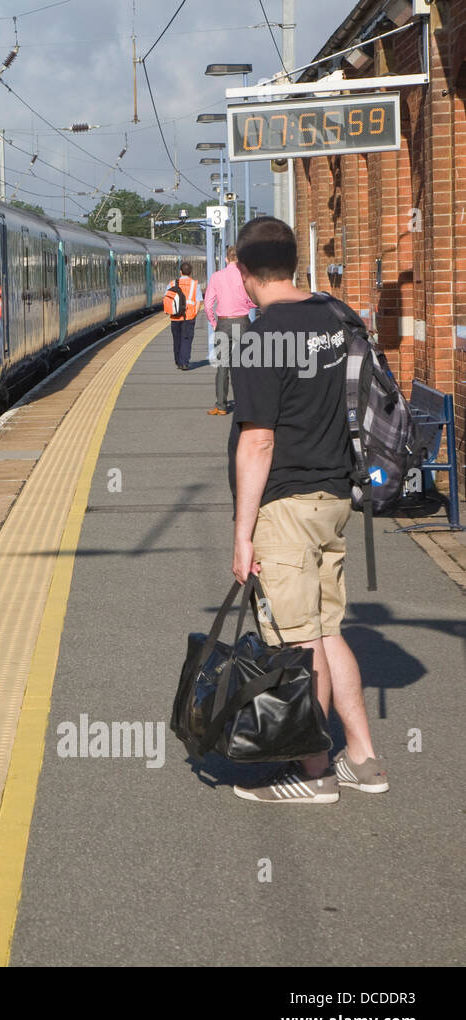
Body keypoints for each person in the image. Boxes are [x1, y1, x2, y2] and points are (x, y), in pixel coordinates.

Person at [226, 216, 388, 804]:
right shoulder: (334, 316)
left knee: (296, 641)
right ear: (294, 261)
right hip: (335, 500)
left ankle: (313, 770)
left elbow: (259, 440)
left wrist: (243, 535)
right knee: (325, 629)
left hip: (287, 505)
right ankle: (364, 759)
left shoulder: (260, 336)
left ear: (242, 270)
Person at [203, 246, 254, 415]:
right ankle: (247, 404)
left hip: (223, 323)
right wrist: (247, 305)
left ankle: (221, 405)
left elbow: (208, 304)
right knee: (245, 364)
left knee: (222, 365)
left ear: (226, 259)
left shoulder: (216, 277)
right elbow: (254, 300)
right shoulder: (245, 275)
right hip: (242, 322)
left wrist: (213, 322)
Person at [167, 262, 201, 370]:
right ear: (190, 272)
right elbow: (199, 301)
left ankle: (178, 361)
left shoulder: (172, 284)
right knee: (186, 340)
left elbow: (167, 299)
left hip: (175, 317)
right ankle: (184, 363)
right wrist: (195, 313)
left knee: (177, 340)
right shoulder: (195, 284)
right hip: (189, 317)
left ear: (180, 272)